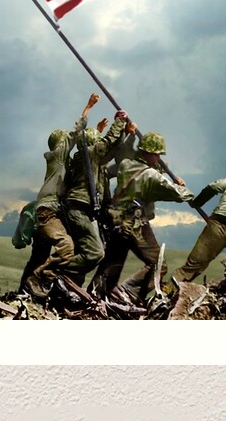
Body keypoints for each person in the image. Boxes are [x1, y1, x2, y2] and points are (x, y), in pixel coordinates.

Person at [89, 132, 194, 304]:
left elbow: (142, 174)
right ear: (149, 153)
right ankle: (127, 292)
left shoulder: (126, 165)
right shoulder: (152, 176)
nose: (158, 158)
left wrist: (160, 171)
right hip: (136, 224)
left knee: (111, 265)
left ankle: (93, 297)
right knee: (158, 265)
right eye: (157, 154)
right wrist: (182, 187)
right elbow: (178, 194)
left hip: (116, 223)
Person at [19, 93, 99, 297]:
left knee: (47, 253)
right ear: (60, 144)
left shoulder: (62, 163)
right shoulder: (56, 157)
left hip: (55, 212)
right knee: (66, 247)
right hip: (48, 211)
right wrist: (88, 108)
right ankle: (38, 279)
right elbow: (75, 133)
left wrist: (97, 132)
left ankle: (40, 287)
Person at [61, 110, 128, 285]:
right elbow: (108, 142)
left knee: (84, 252)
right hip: (79, 210)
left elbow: (113, 150)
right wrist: (119, 121)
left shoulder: (89, 161)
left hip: (81, 210)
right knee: (95, 253)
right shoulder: (89, 153)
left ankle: (69, 285)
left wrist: (125, 134)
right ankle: (57, 270)